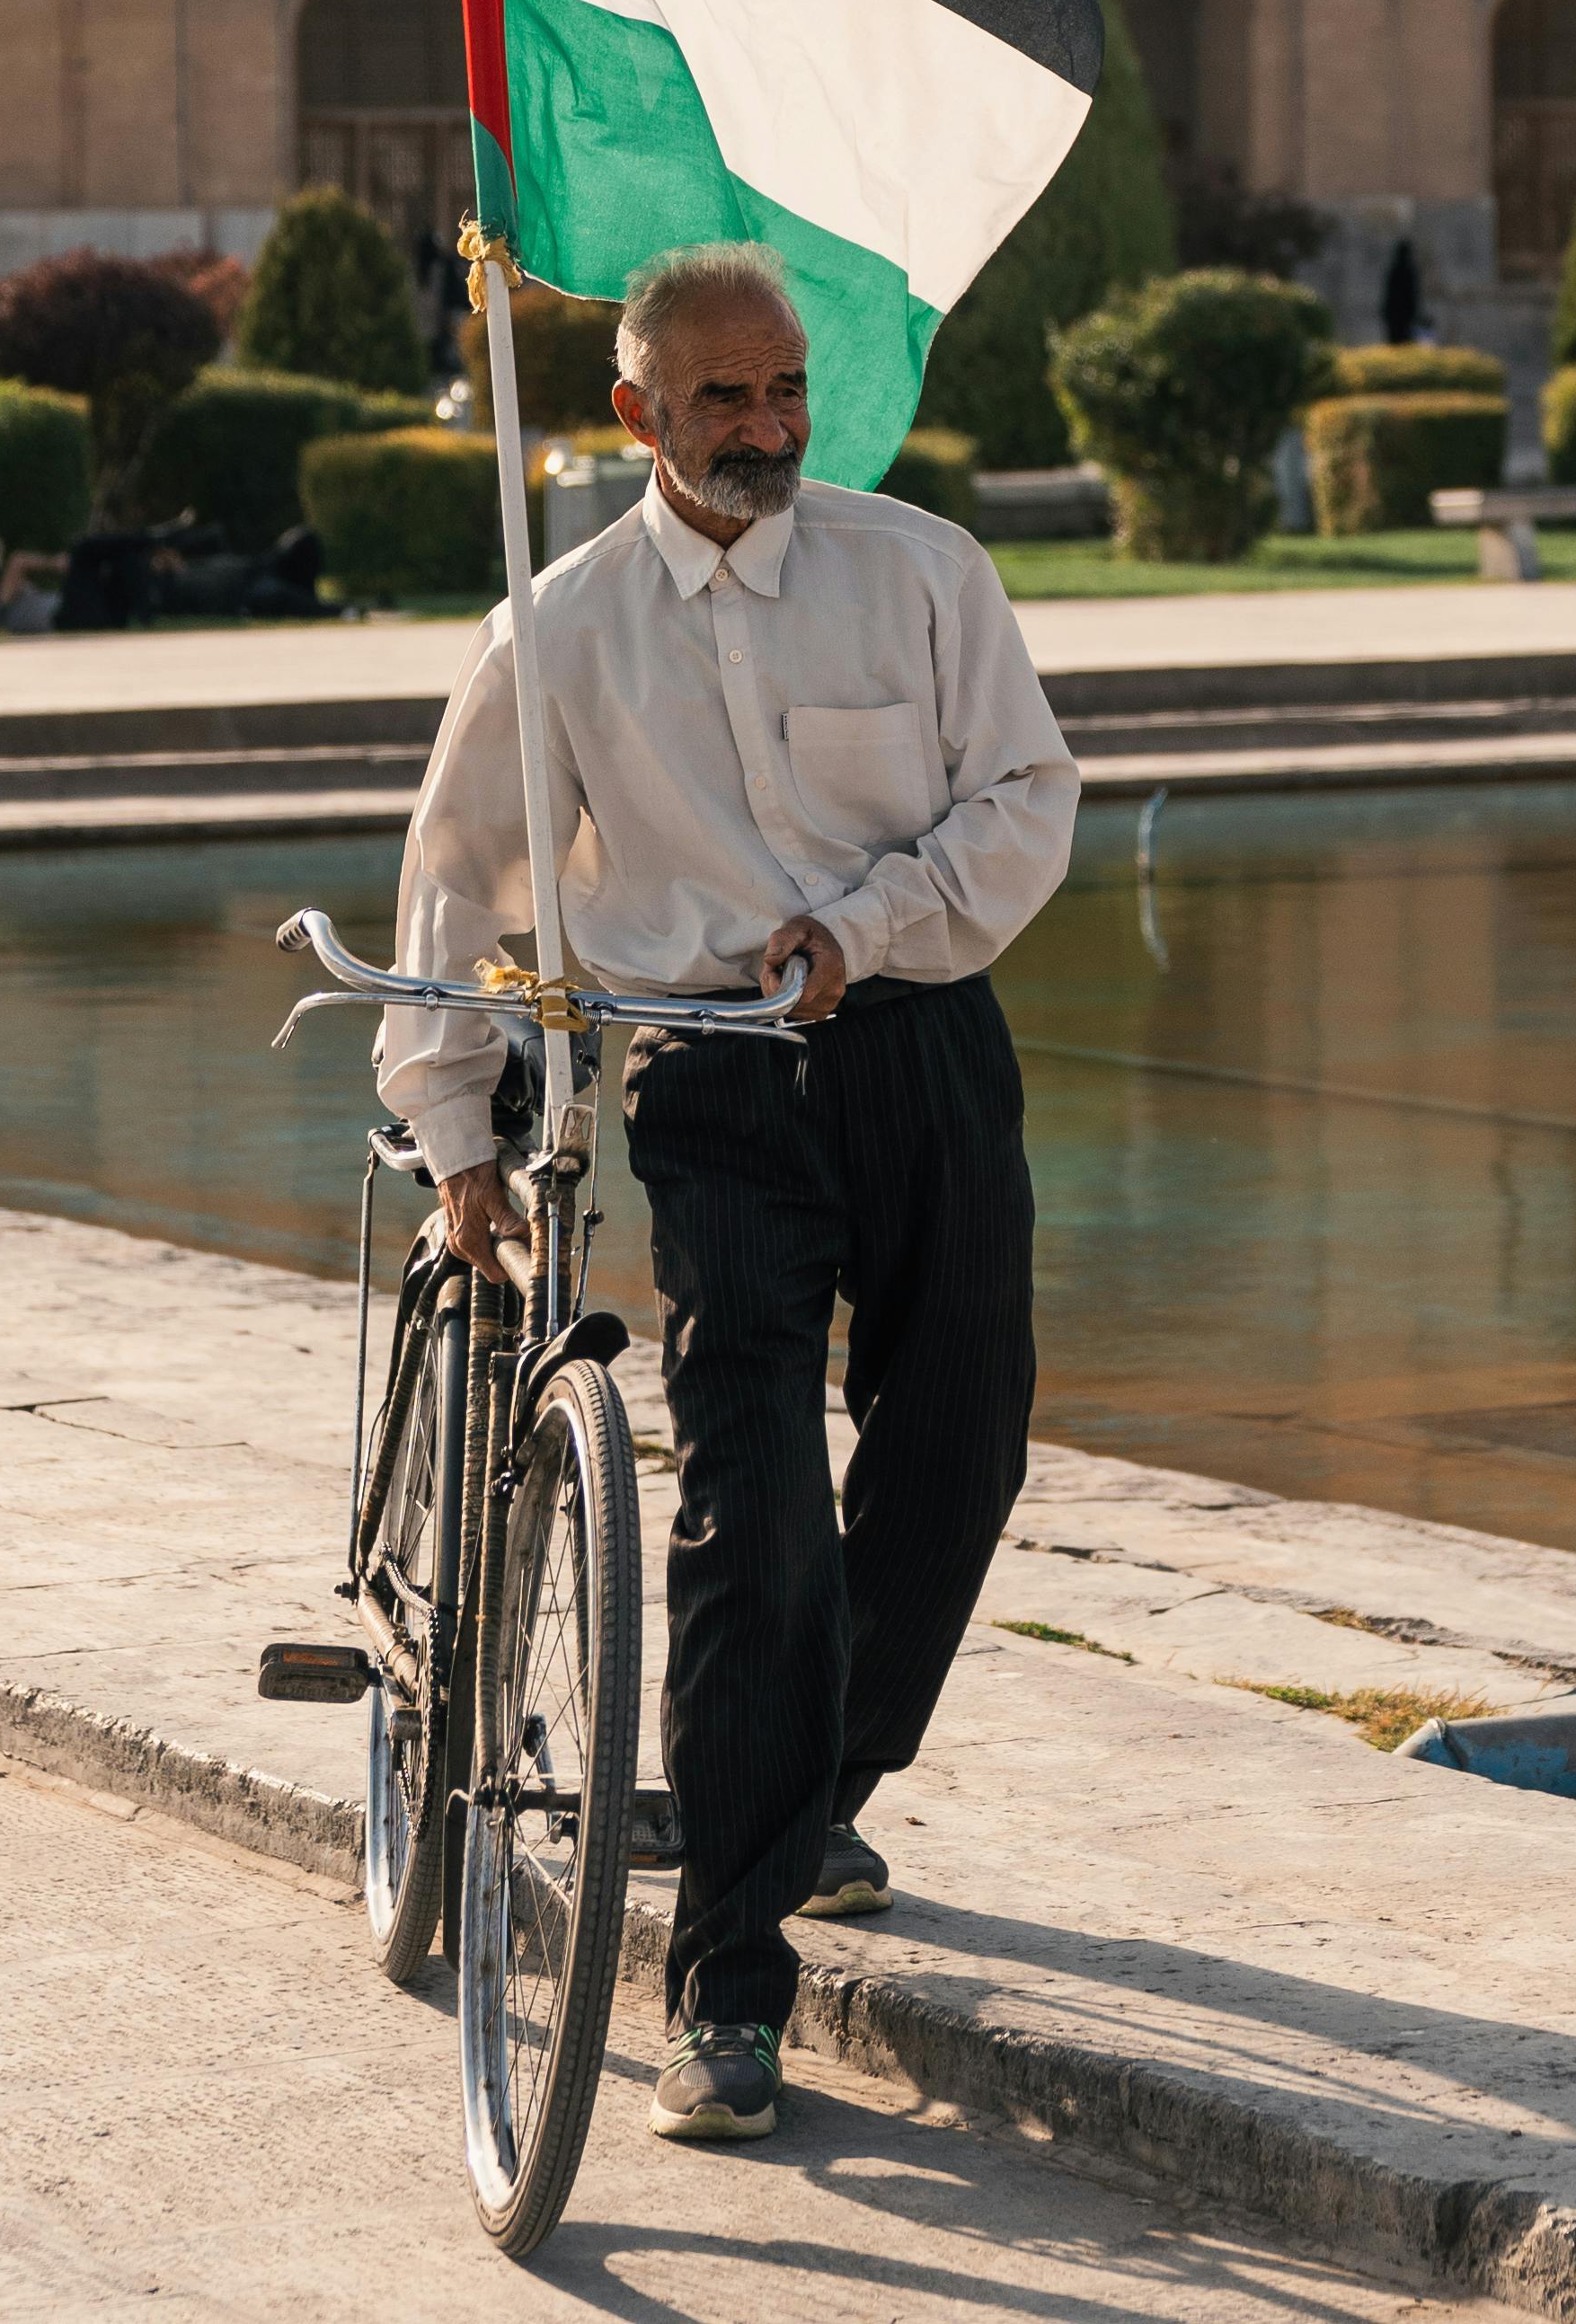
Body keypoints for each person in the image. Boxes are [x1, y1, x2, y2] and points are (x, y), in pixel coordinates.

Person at [376, 242, 1076, 2152]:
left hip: (923, 1046)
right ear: (633, 417)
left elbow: (1022, 805)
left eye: (784, 392)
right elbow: (456, 889)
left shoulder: (920, 573)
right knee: (754, 1493)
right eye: (722, 401)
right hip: (711, 1086)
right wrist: (455, 1137)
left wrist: (863, 931)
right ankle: (727, 1979)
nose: (766, 428)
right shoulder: (558, 635)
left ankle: (807, 1771)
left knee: (961, 1440)